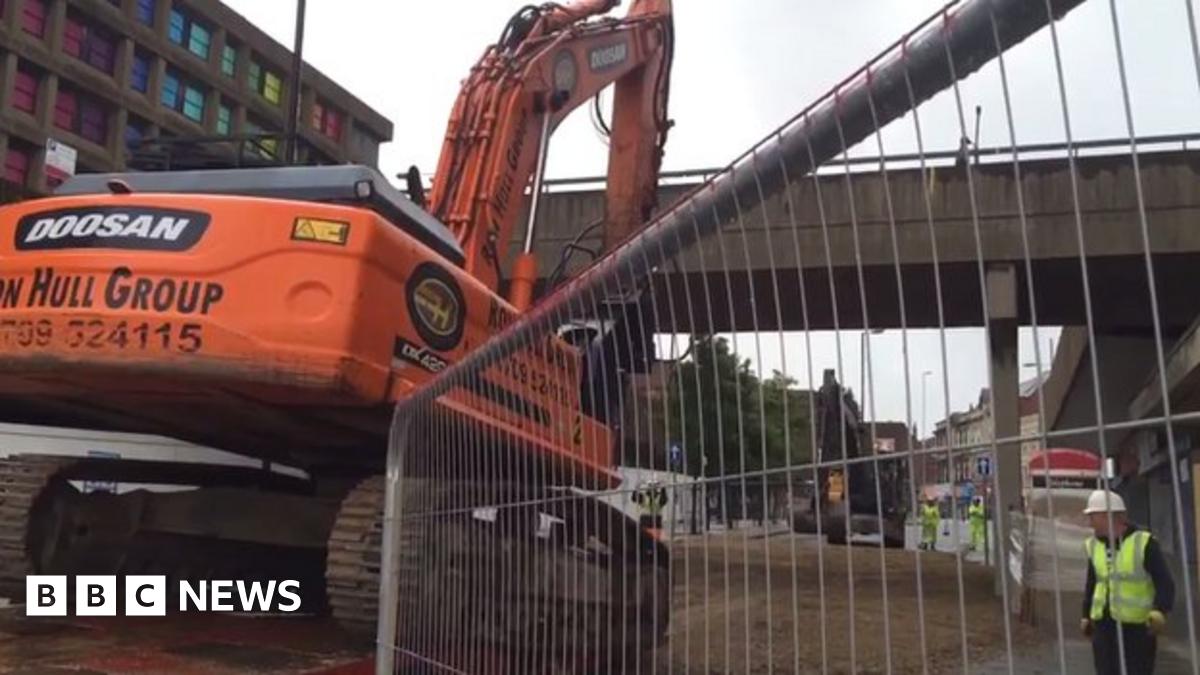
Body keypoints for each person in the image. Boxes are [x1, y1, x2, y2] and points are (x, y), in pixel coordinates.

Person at [1080, 489, 1174, 675]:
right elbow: (1092, 583)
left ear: (1108, 516)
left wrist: (1160, 610)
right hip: (1104, 627)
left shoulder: (1143, 543)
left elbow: (1165, 582)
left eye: (1093, 516)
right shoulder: (1094, 545)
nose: (1090, 522)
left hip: (1136, 628)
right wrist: (1086, 615)